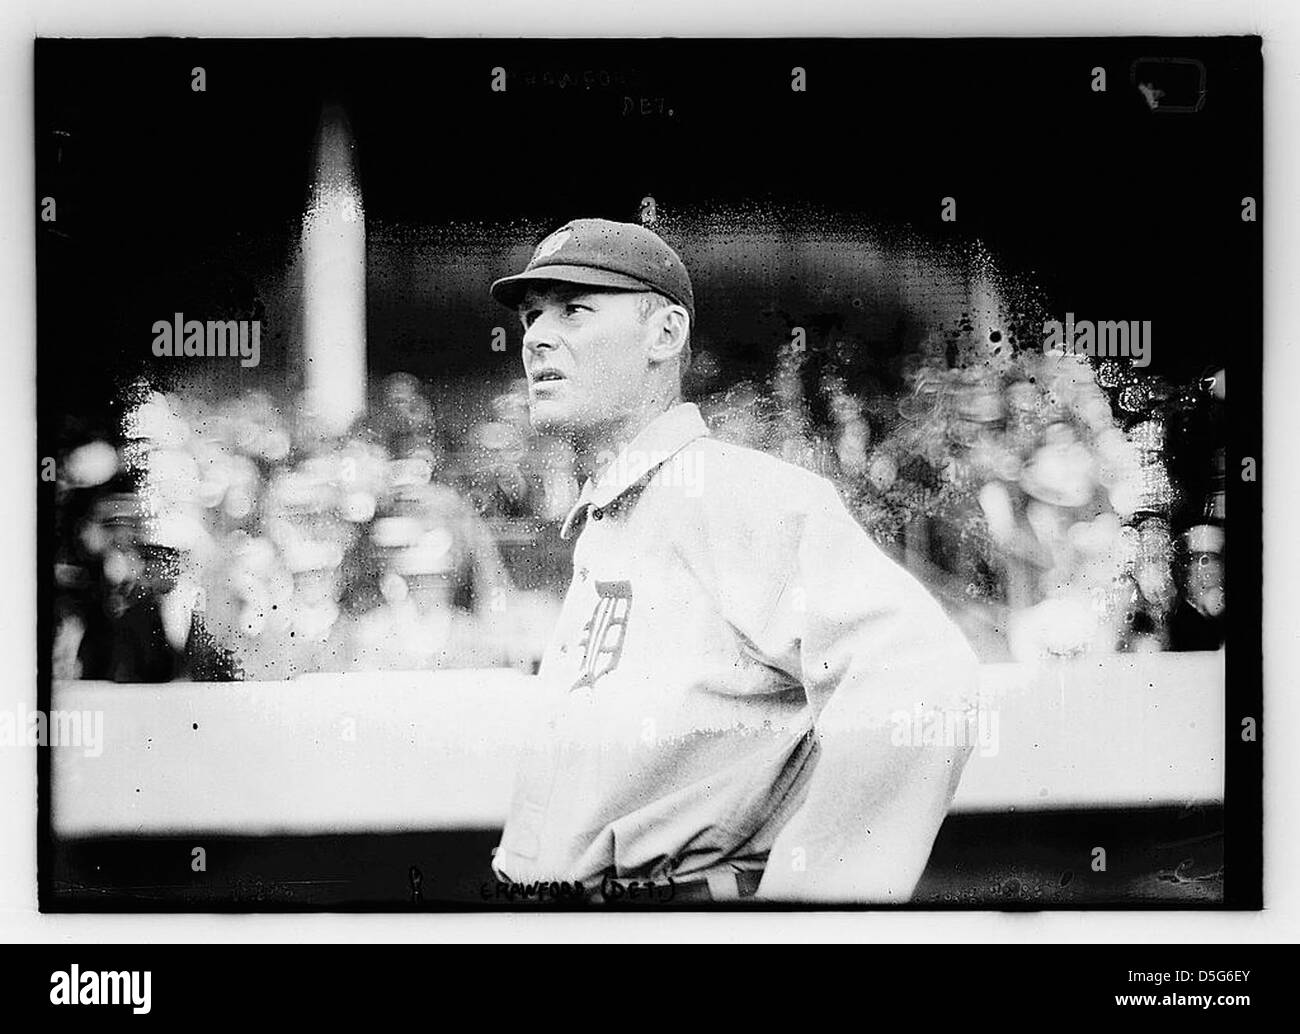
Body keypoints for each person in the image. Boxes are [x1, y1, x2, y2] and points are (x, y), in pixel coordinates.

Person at [486, 217, 979, 903]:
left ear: (665, 335)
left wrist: (812, 906)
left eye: (575, 310)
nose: (536, 335)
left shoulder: (730, 492)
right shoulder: (616, 509)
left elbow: (923, 678)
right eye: (534, 315)